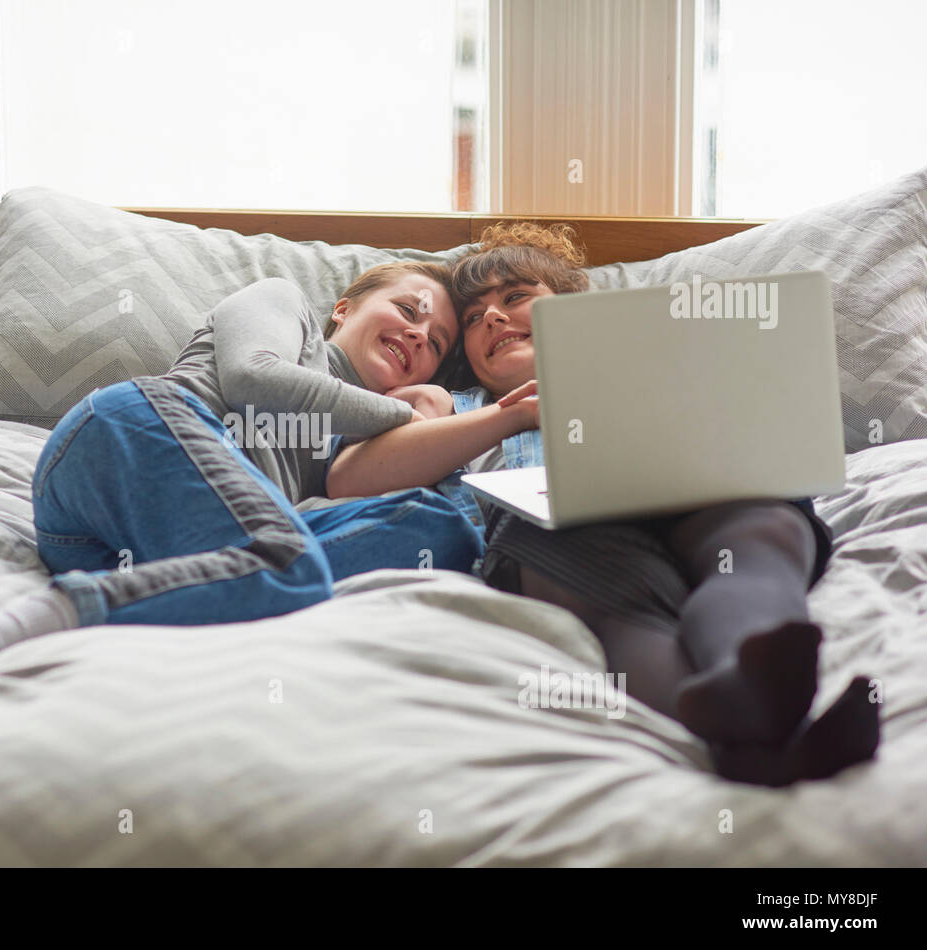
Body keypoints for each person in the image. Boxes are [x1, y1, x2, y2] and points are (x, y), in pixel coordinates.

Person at [325, 223, 880, 787]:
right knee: (614, 598)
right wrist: (494, 416)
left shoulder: (663, 365)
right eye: (473, 318)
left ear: (569, 309)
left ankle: (745, 673)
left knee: (758, 536)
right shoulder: (453, 404)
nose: (492, 317)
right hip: (566, 526)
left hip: (700, 495)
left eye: (515, 297)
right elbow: (350, 479)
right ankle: (740, 737)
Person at [0, 266, 480, 686]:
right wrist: (402, 409)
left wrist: (445, 420)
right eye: (408, 309)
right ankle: (8, 627)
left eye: (435, 343)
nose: (418, 333)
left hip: (163, 542)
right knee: (289, 564)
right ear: (344, 308)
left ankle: (173, 594)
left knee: (444, 527)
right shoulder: (283, 302)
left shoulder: (360, 441)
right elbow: (253, 378)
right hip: (128, 435)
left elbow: (375, 495)